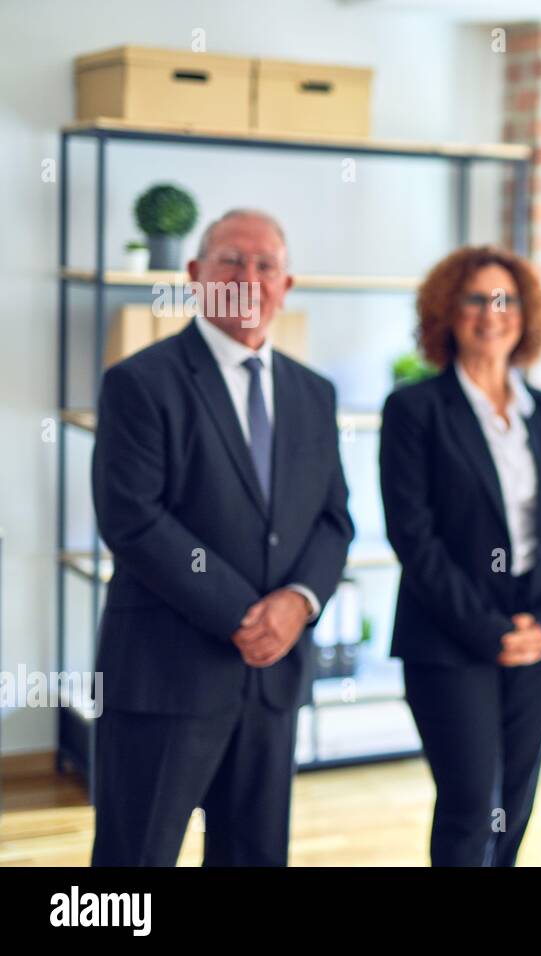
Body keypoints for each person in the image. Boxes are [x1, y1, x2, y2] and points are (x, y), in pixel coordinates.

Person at [90, 209, 354, 866]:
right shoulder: (140, 382)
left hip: (271, 683)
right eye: (232, 260)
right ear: (193, 274)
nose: (249, 277)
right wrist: (242, 613)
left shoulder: (313, 394)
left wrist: (296, 602)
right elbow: (133, 518)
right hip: (165, 676)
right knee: (133, 866)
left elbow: (333, 519)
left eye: (266, 265)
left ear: (286, 284)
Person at [380, 245, 541, 867]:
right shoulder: (414, 409)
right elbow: (413, 538)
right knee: (471, 805)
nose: (491, 313)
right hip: (450, 635)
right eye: (476, 299)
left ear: (524, 315)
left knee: (515, 807)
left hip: (537, 634)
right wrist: (489, 630)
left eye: (506, 299)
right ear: (447, 312)